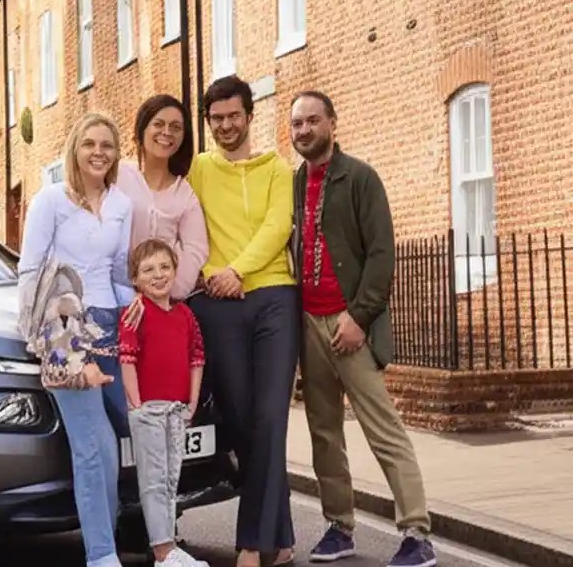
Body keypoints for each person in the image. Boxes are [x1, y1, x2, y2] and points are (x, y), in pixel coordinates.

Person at [288, 91, 437, 567]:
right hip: (307, 323)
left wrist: (359, 317)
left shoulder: (361, 178)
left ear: (332, 122)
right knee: (324, 432)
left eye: (313, 120)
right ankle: (339, 527)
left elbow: (381, 254)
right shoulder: (293, 183)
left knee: (383, 430)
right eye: (297, 124)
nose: (304, 130)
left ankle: (417, 532)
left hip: (349, 323)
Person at [186, 76, 297, 567]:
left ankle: (251, 543)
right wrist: (213, 273)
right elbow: (186, 229)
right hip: (217, 301)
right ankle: (284, 536)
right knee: (243, 421)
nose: (226, 125)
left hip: (273, 294)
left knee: (271, 418)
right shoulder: (198, 170)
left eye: (234, 116)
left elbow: (278, 227)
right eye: (217, 119)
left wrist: (239, 269)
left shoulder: (278, 169)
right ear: (208, 123)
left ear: (250, 116)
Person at [18, 111, 134, 567]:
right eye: (89, 144)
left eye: (106, 144)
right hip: (66, 326)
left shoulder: (122, 204)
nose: (98, 152)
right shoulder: (50, 201)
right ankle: (101, 554)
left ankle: (142, 533)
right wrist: (50, 341)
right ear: (74, 148)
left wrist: (137, 310)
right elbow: (30, 271)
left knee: (128, 437)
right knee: (91, 447)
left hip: (112, 324)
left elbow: (120, 270)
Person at [119, 239, 208, 567]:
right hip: (149, 411)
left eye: (164, 267)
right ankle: (162, 550)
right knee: (153, 481)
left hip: (176, 410)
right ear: (135, 279)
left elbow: (196, 356)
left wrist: (193, 399)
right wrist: (137, 404)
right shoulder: (136, 313)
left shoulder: (185, 314)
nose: (158, 275)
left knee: (171, 479)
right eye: (148, 270)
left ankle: (168, 547)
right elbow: (127, 359)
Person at [117, 94, 209, 311]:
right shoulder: (119, 176)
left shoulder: (185, 194)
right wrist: (126, 292)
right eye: (158, 124)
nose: (167, 132)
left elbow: (196, 250)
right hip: (118, 298)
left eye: (176, 127)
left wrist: (167, 293)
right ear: (142, 129)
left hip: (164, 306)